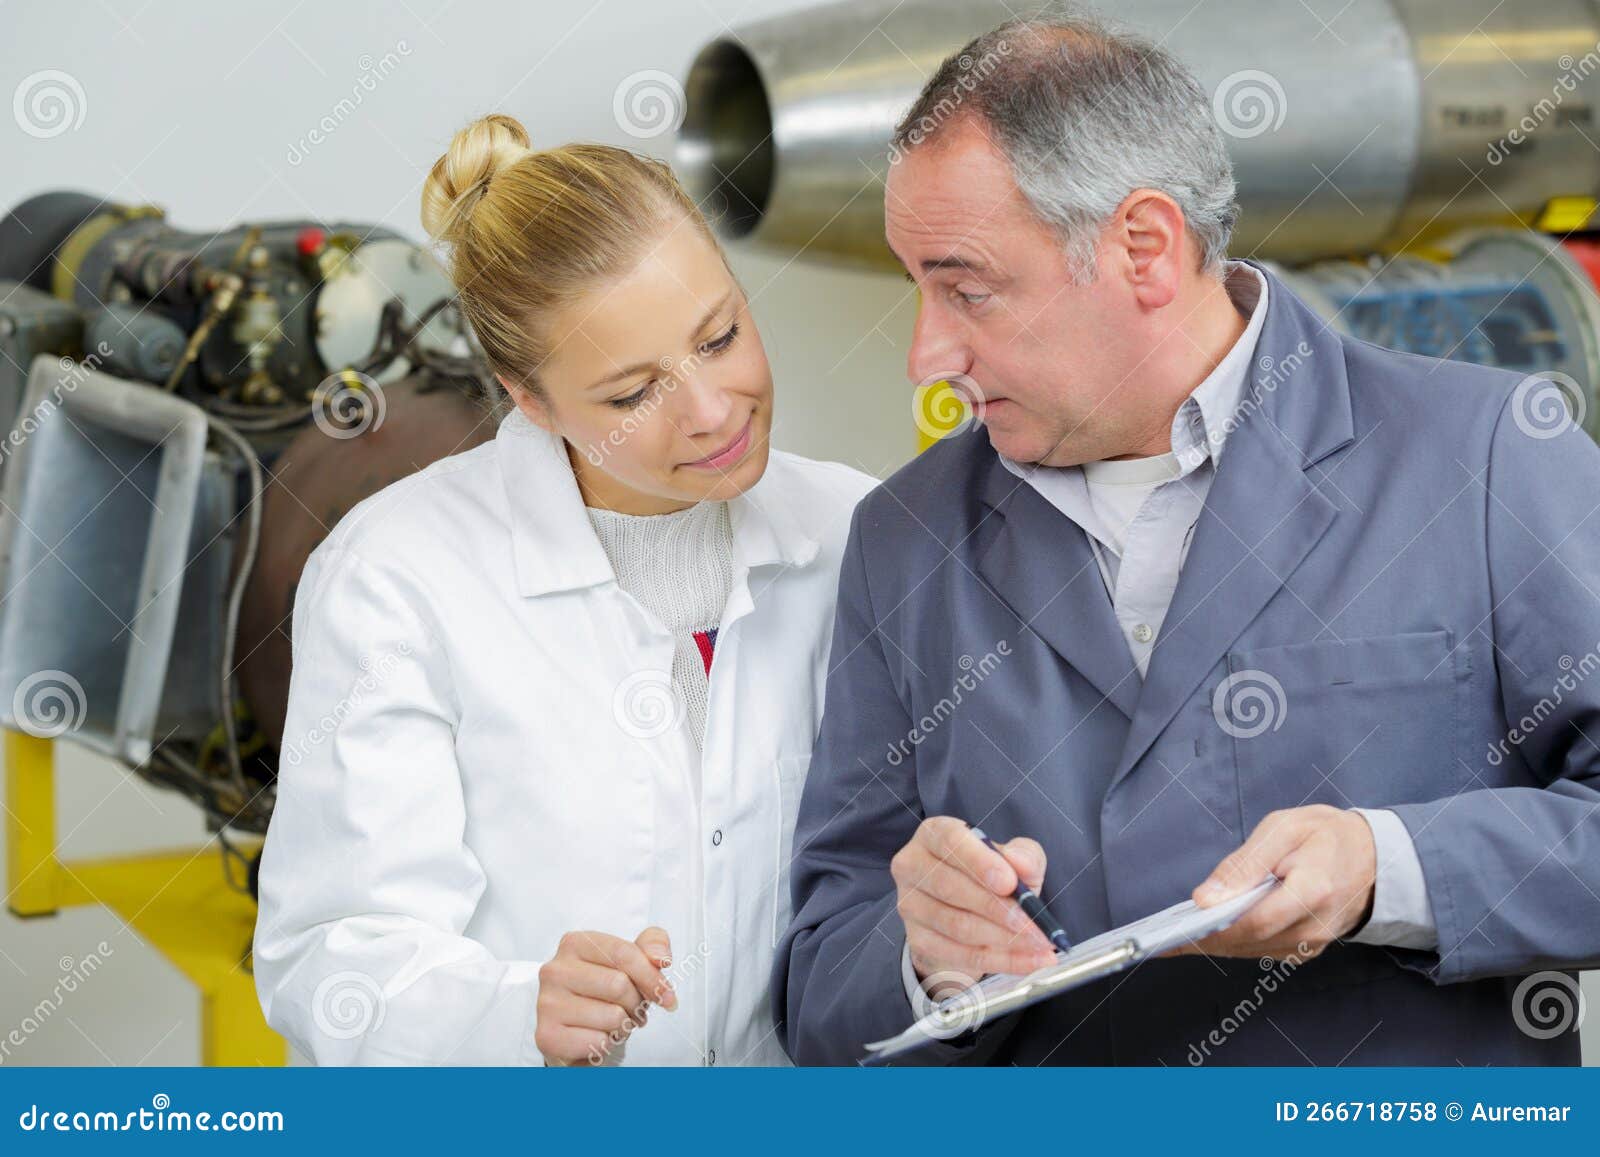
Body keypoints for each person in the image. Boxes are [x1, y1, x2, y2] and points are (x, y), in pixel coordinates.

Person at [775, 13, 1600, 1065]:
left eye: (966, 289)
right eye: (917, 288)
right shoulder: (904, 534)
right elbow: (820, 977)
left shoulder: (1483, 454)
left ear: (1144, 248)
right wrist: (925, 954)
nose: (925, 355)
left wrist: (1389, 864)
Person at [253, 114, 875, 1066]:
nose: (712, 411)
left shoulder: (852, 532)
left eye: (720, 336)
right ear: (530, 399)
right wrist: (511, 1013)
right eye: (632, 394)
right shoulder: (398, 578)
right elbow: (330, 963)